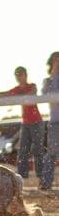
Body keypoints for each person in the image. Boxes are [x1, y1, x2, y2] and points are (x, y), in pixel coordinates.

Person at [0, 66, 45, 180]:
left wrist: (18, 95)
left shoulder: (31, 86)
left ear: (25, 75)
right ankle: (22, 176)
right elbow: (0, 94)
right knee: (23, 150)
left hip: (37, 121)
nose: (19, 77)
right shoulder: (17, 89)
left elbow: (33, 92)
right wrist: (3, 95)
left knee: (38, 149)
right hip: (26, 123)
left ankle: (41, 176)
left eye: (20, 74)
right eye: (17, 75)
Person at [42, 52, 59, 192]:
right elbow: (45, 95)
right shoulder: (48, 81)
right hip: (54, 121)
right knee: (51, 153)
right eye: (55, 60)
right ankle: (46, 182)